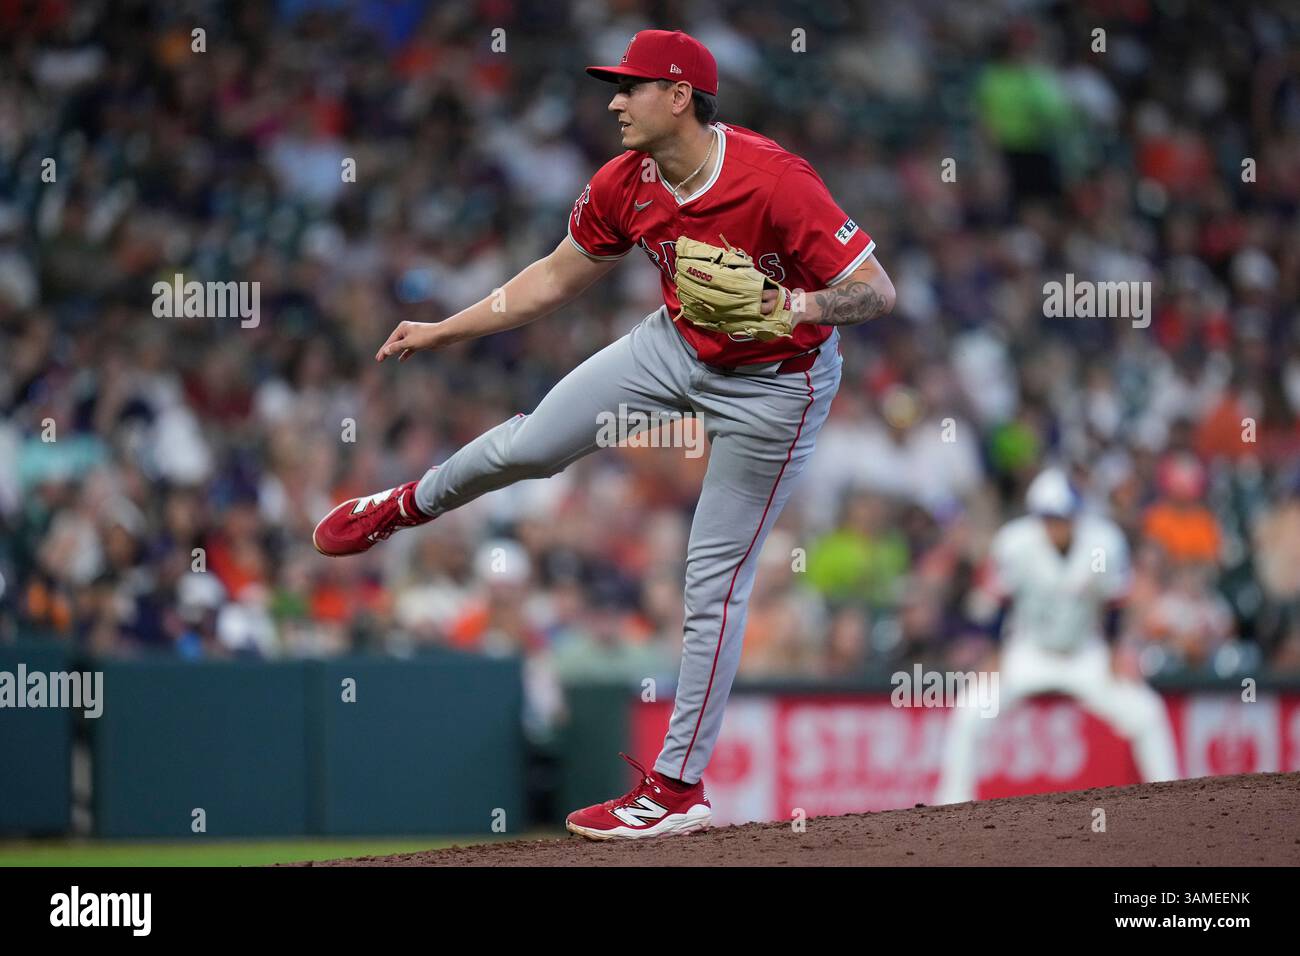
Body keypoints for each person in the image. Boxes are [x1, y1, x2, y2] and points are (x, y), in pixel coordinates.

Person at [312, 29, 896, 839]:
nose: (615, 101)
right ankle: (405, 505)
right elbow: (553, 277)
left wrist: (792, 305)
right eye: (613, 87)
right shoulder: (626, 182)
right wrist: (446, 329)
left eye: (631, 86)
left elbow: (875, 291)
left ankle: (677, 791)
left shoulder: (773, 181)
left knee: (712, 586)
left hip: (777, 383)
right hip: (676, 344)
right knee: (532, 446)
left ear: (680, 95)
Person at [935, 467, 1179, 804]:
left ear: (1077, 514)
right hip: (1028, 651)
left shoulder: (1103, 542)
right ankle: (950, 806)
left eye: (1063, 517)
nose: (1056, 526)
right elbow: (998, 603)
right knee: (970, 711)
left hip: (1084, 653)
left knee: (1146, 712)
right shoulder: (1015, 542)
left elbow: (1114, 605)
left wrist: (1116, 652)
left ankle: (1174, 802)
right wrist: (994, 655)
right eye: (1049, 518)